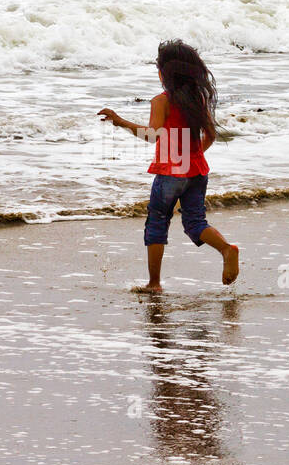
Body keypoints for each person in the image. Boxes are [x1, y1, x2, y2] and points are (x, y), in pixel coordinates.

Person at [99, 39, 239, 292]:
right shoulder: (198, 98)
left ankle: (154, 283)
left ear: (164, 74)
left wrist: (121, 122)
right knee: (196, 222)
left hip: (170, 174)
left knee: (157, 223)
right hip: (197, 170)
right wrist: (191, 156)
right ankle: (227, 249)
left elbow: (152, 135)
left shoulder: (161, 101)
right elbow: (210, 136)